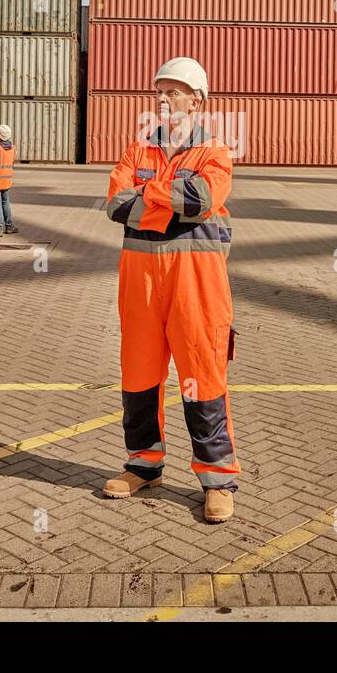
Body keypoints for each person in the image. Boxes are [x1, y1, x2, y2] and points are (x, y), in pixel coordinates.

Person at [102, 57, 240, 524]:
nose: (163, 99)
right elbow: (117, 206)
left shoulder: (216, 152)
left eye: (173, 91)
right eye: (159, 91)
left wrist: (151, 196)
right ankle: (143, 465)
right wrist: (171, 197)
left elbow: (203, 201)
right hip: (140, 283)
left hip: (196, 284)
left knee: (202, 376)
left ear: (197, 99)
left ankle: (217, 480)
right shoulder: (137, 149)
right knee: (138, 377)